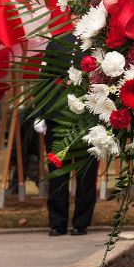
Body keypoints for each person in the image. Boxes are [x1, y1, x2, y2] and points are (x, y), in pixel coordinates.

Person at [33, 34, 97, 236]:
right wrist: (40, 112)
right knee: (57, 171)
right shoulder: (57, 42)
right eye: (73, 14)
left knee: (86, 173)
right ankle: (57, 222)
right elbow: (45, 78)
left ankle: (81, 222)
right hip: (58, 115)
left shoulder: (98, 42)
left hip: (88, 117)